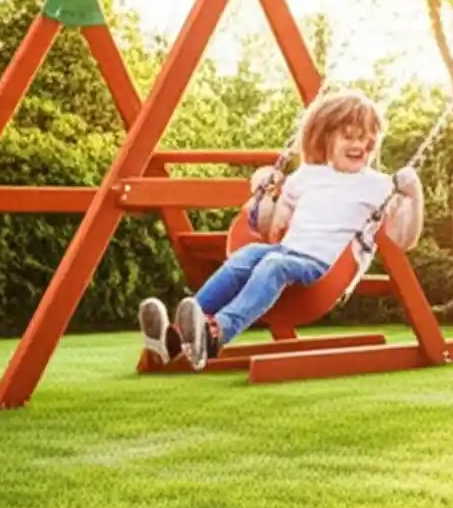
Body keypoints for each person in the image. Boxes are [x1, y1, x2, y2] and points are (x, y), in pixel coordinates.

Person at [138, 90, 425, 370]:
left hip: (324, 267)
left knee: (274, 263)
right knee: (247, 255)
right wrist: (265, 190)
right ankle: (175, 337)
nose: (359, 145)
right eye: (349, 136)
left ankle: (217, 334)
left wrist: (414, 195)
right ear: (326, 137)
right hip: (285, 249)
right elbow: (270, 227)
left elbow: (404, 239)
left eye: (367, 139)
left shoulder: (379, 185)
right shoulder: (305, 176)